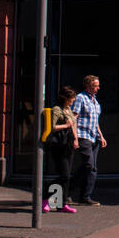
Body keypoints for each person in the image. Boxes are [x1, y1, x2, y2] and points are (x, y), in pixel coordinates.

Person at [70, 75, 107, 206]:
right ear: (88, 86)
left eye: (98, 85)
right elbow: (73, 118)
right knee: (89, 165)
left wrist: (101, 136)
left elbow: (95, 121)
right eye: (95, 86)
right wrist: (75, 138)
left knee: (92, 168)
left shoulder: (95, 101)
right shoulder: (80, 98)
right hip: (82, 135)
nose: (98, 88)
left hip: (93, 137)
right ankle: (70, 190)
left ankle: (84, 196)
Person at [44, 86, 79, 214]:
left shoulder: (68, 109)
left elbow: (73, 124)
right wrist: (66, 125)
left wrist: (75, 139)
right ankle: (45, 196)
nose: (74, 100)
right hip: (58, 145)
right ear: (66, 98)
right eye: (72, 98)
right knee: (64, 175)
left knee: (66, 176)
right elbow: (51, 127)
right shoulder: (57, 110)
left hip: (68, 145)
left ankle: (61, 204)